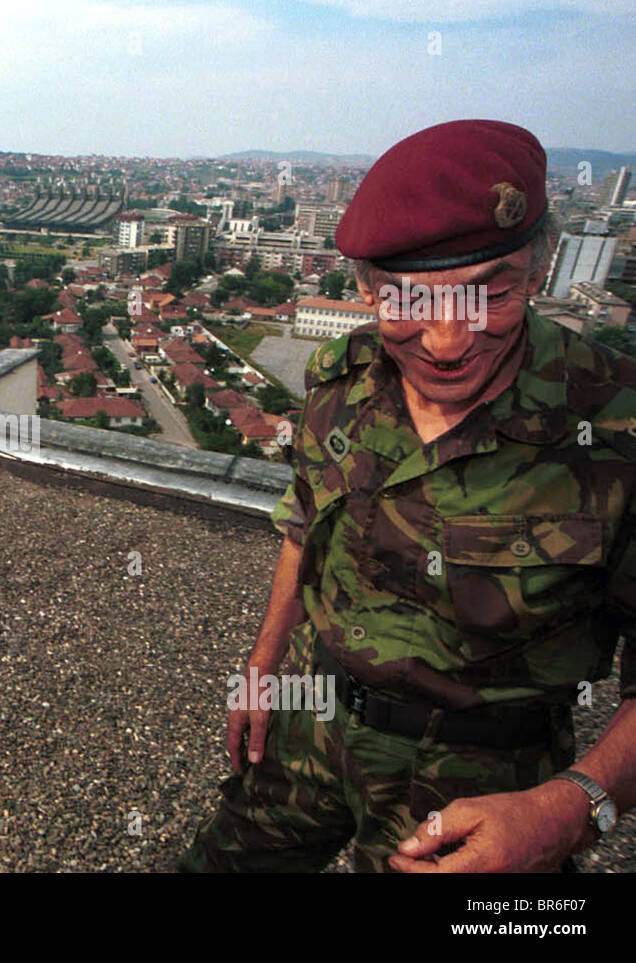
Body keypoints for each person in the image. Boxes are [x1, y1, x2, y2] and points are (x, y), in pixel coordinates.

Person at [180, 119, 636, 872]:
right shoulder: (342, 377)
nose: (448, 341)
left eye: (488, 293)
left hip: (481, 783)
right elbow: (304, 529)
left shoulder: (615, 424)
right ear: (364, 290)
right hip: (308, 720)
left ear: (538, 272)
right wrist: (262, 667)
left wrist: (571, 806)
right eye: (408, 301)